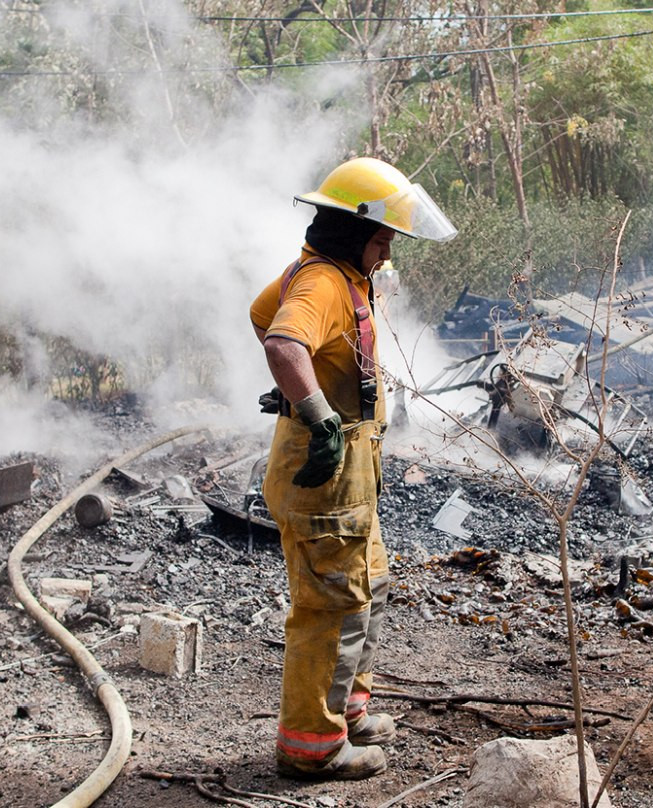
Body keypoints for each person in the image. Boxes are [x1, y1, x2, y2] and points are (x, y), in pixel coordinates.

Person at [248, 157, 456, 781]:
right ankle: (311, 747)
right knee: (331, 605)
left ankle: (348, 710)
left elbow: (263, 313)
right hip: (325, 478)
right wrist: (314, 411)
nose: (389, 249)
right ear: (349, 228)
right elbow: (283, 340)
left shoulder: (340, 273)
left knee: (368, 587)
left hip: (351, 480)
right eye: (382, 236)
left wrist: (302, 391)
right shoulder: (322, 284)